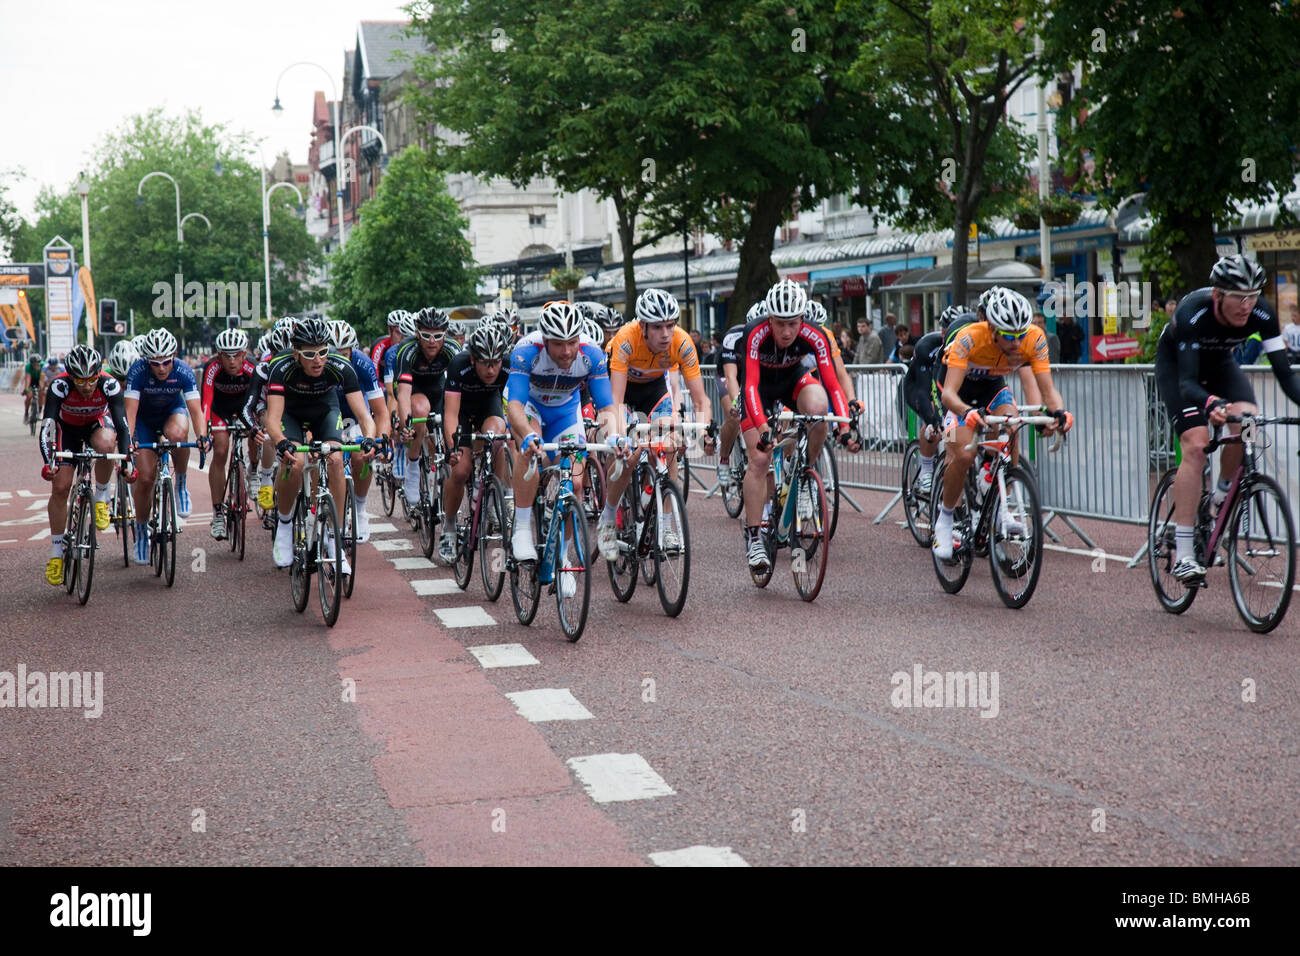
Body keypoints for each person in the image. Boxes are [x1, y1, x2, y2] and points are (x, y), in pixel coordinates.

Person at [1154, 254, 1300, 581]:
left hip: (1220, 367)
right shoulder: (1194, 314)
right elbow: (1189, 382)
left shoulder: (1262, 313)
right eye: (1239, 297)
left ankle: (1218, 499)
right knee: (1196, 445)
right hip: (1180, 372)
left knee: (1248, 421)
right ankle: (1185, 552)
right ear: (1218, 295)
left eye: (1253, 295)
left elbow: (1286, 376)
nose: (1247, 305)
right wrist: (1209, 403)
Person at [932, 287, 1073, 561]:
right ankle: (945, 519)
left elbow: (1047, 389)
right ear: (992, 328)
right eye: (1009, 336)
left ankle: (1001, 504)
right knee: (963, 453)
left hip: (992, 387)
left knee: (1012, 424)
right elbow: (949, 394)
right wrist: (967, 412)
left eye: (1020, 335)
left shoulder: (1034, 338)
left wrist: (1058, 413)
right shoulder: (968, 338)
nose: (1016, 343)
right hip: (954, 391)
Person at [736, 279, 860, 572]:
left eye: (793, 323)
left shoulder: (814, 335)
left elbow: (832, 384)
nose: (787, 331)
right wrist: (764, 430)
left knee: (818, 407)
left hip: (793, 382)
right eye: (780, 324)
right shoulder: (754, 334)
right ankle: (755, 537)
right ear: (769, 320)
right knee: (760, 458)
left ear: (802, 320)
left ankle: (804, 472)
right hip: (760, 391)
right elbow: (750, 386)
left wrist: (846, 429)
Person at [599, 288, 715, 561]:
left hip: (653, 389)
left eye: (670, 325)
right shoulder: (625, 341)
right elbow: (615, 400)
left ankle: (665, 526)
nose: (666, 333)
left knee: (671, 441)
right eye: (658, 327)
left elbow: (701, 400)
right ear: (643, 327)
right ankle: (607, 517)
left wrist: (705, 431)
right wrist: (618, 437)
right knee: (629, 454)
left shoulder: (682, 343)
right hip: (621, 389)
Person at [506, 300, 618, 572]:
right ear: (545, 340)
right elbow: (515, 406)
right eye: (558, 344)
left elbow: (606, 406)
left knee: (576, 485)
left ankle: (563, 558)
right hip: (530, 406)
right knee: (532, 449)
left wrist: (614, 436)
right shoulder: (526, 351)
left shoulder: (592, 354)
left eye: (571, 342)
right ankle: (521, 527)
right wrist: (526, 436)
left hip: (566, 411)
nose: (567, 351)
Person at [264, 316, 377, 570]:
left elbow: (364, 415)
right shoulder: (280, 367)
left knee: (335, 459)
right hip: (291, 414)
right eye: (310, 354)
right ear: (296, 353)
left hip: (325, 410)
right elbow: (272, 419)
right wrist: (281, 442)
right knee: (295, 462)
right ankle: (283, 525)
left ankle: (334, 541)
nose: (318, 360)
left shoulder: (339, 365)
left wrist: (369, 437)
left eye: (323, 352)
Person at [37, 345, 135, 586]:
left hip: (95, 425)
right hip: (66, 430)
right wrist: (48, 462)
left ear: (99, 374)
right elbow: (47, 426)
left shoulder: (109, 384)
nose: (87, 386)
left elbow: (122, 427)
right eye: (80, 380)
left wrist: (128, 461)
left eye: (92, 379)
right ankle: (57, 555)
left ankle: (101, 498)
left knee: (106, 444)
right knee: (60, 487)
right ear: (71, 376)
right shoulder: (59, 386)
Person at [123, 328, 208, 563]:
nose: (161, 368)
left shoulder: (183, 371)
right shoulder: (138, 371)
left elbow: (195, 410)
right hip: (143, 420)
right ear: (147, 360)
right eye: (155, 363)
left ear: (174, 356)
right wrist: (129, 444)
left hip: (172, 412)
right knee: (146, 478)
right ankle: (141, 532)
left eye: (166, 362)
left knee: (179, 433)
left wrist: (202, 436)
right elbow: (130, 413)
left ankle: (180, 485)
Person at [440, 321, 512, 564]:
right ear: (473, 360)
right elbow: (450, 414)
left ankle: (492, 495)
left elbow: (513, 405)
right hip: (460, 409)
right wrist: (451, 448)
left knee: (498, 437)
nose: (492, 370)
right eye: (485, 364)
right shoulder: (459, 364)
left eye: (496, 363)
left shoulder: (508, 366)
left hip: (487, 406)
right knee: (460, 471)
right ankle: (449, 526)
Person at [393, 307, 461, 507]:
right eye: (426, 335)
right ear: (417, 334)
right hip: (415, 390)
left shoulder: (453, 349)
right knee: (421, 410)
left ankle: (439, 480)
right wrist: (406, 425)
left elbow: (459, 393)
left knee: (444, 440)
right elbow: (404, 394)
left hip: (439, 390)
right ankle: (413, 467)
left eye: (438, 336)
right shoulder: (407, 349)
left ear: (445, 335)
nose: (432, 341)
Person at [199, 328, 256, 540]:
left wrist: (256, 424)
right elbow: (206, 401)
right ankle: (218, 513)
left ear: (245, 353)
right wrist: (205, 432)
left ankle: (254, 470)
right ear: (218, 355)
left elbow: (259, 399)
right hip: (220, 409)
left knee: (255, 433)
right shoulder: (211, 367)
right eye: (226, 355)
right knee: (221, 449)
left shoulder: (252, 367)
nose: (232, 361)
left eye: (237, 355)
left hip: (245, 408)